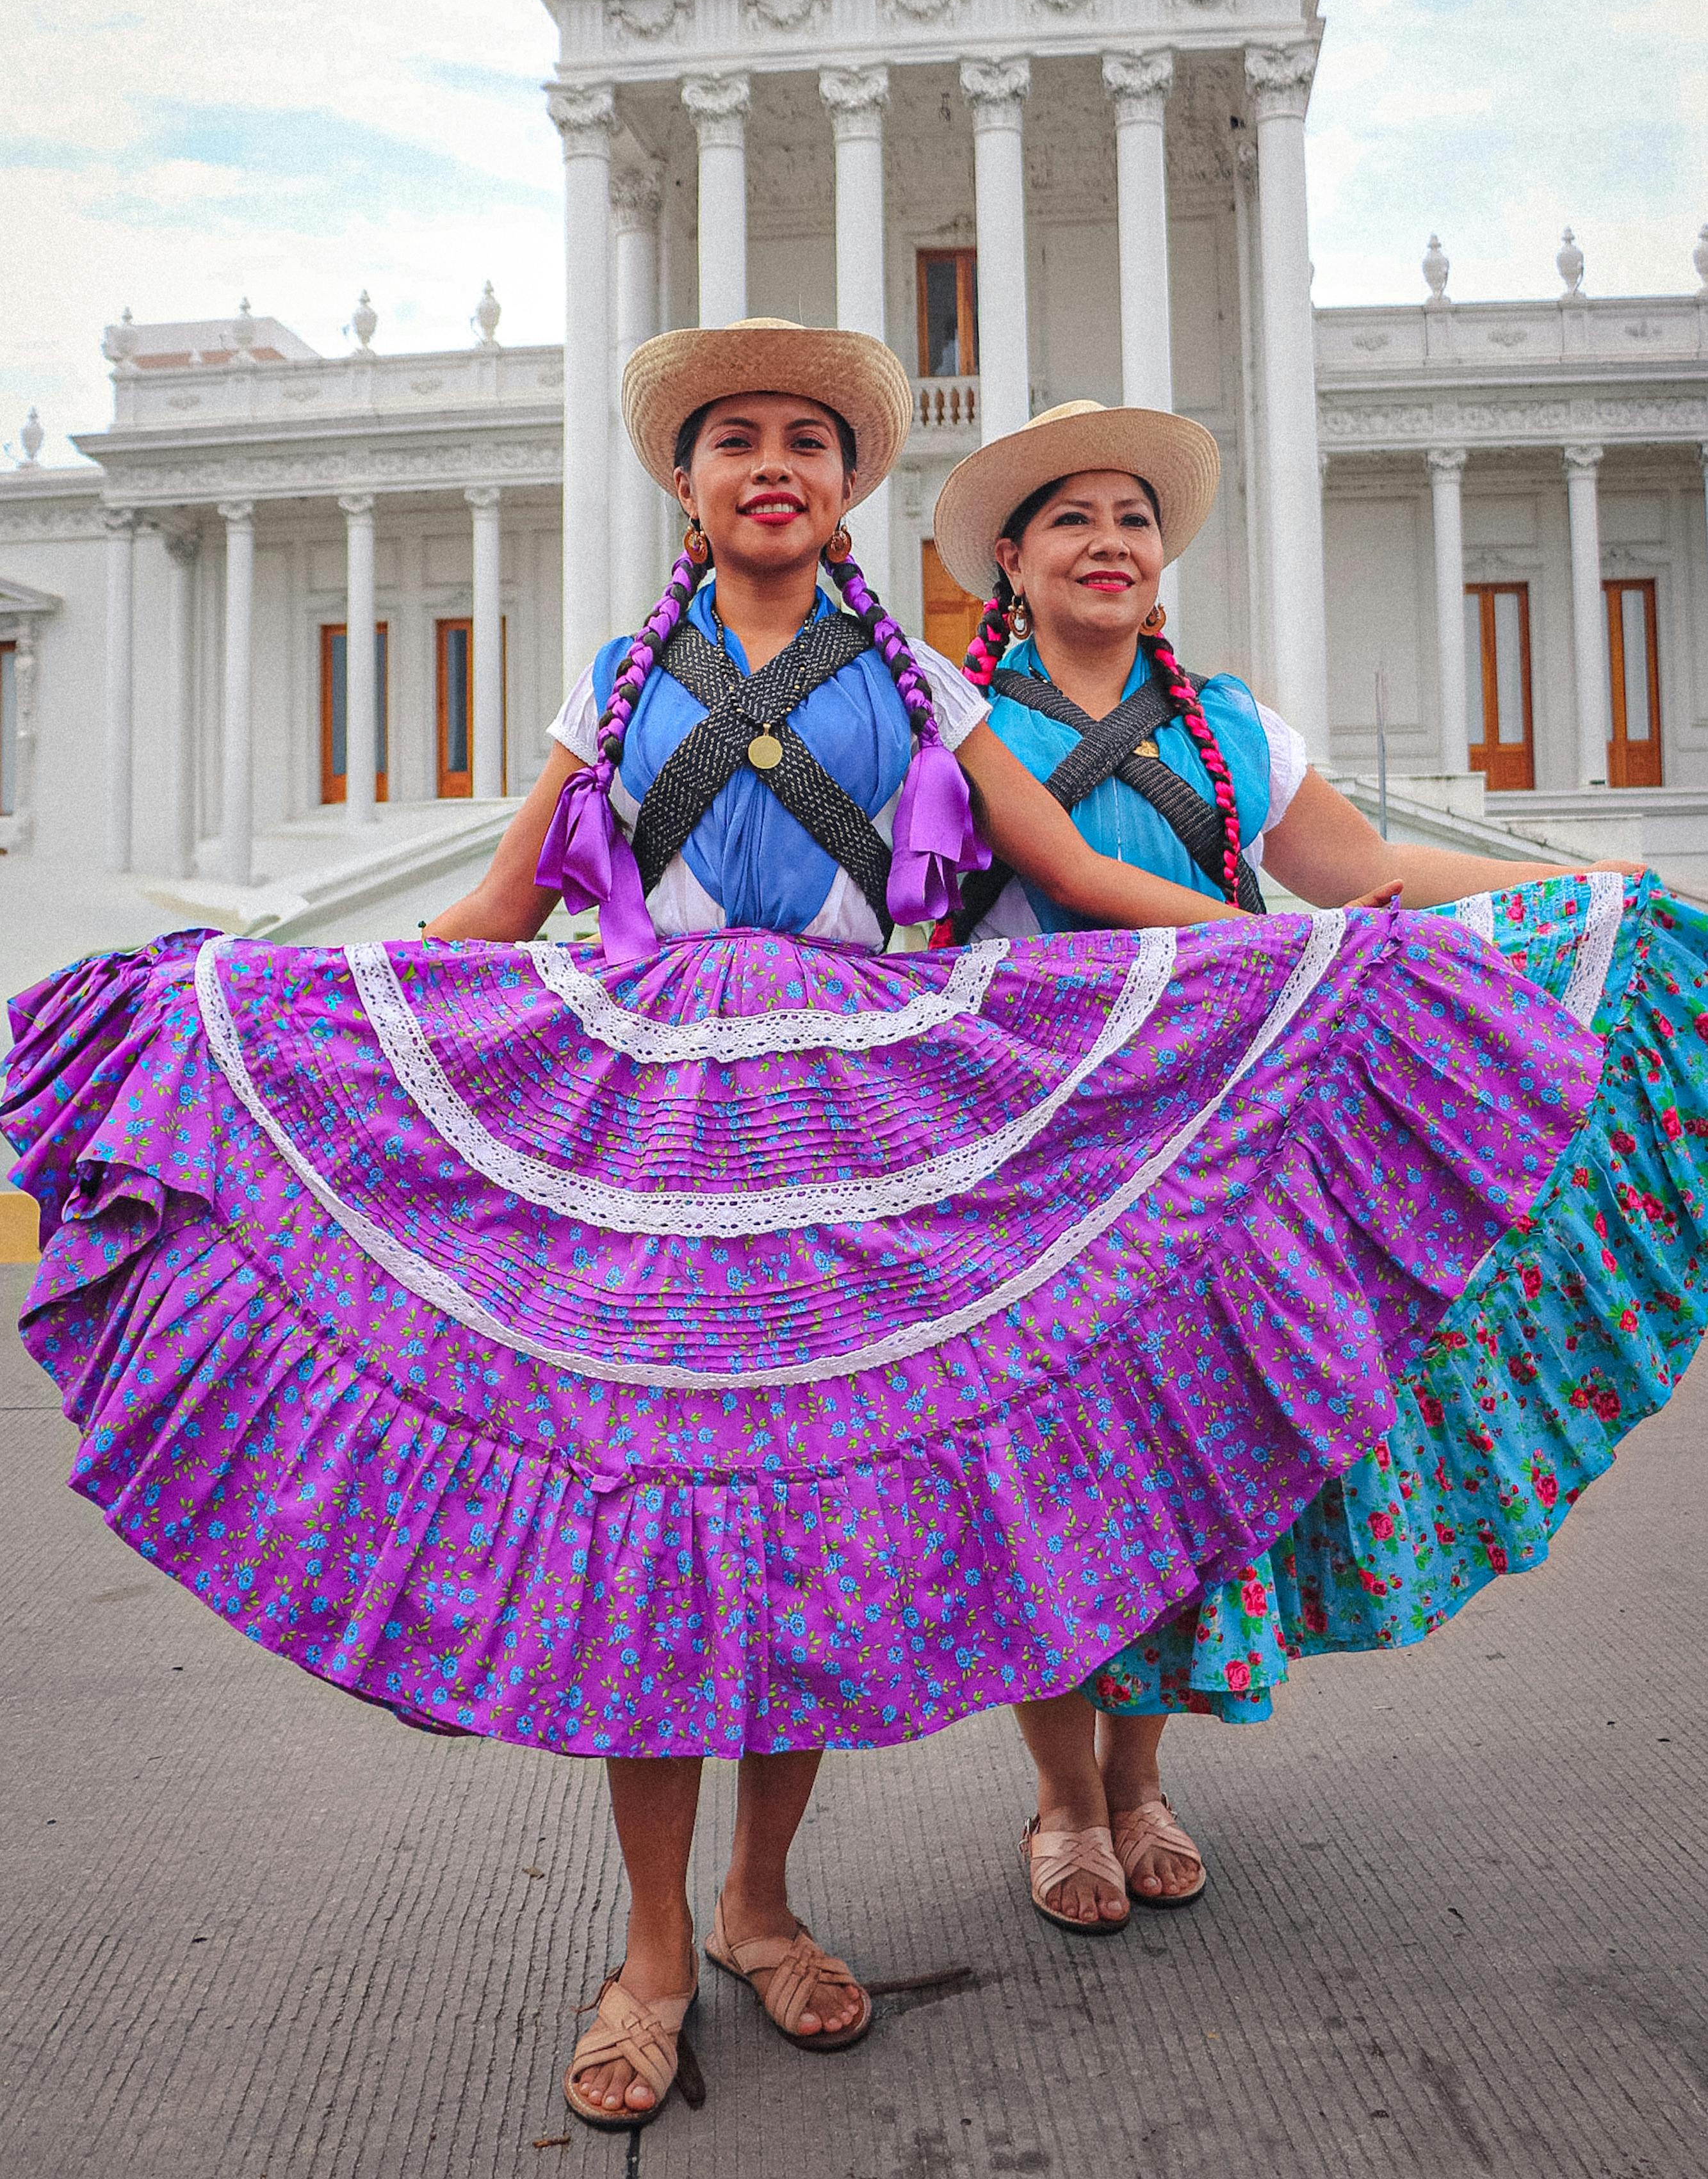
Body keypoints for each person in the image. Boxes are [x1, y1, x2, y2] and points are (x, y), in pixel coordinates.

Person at [1, 328, 1687, 2142]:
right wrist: (260, 1001)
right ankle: (649, 1948)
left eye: (807, 441)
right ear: (689, 482)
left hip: (854, 1118)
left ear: (850, 485)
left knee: (793, 1510)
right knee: (650, 1524)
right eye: (738, 442)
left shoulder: (931, 688)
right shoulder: (612, 681)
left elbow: (1076, 872)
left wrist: (1280, 953)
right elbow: (496, 909)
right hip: (640, 1124)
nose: (772, 466)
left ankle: (763, 1904)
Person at [931, 397, 1705, 1933]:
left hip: (1210, 1139)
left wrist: (1567, 881)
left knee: (1183, 1461)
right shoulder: (941, 730)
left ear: (1160, 565)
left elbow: (1358, 878)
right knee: (1046, 1472)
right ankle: (1063, 1797)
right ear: (1008, 564)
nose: (1107, 542)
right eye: (1070, 519)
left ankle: (1140, 1773)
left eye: (1133, 520)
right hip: (1030, 1142)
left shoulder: (1227, 726)